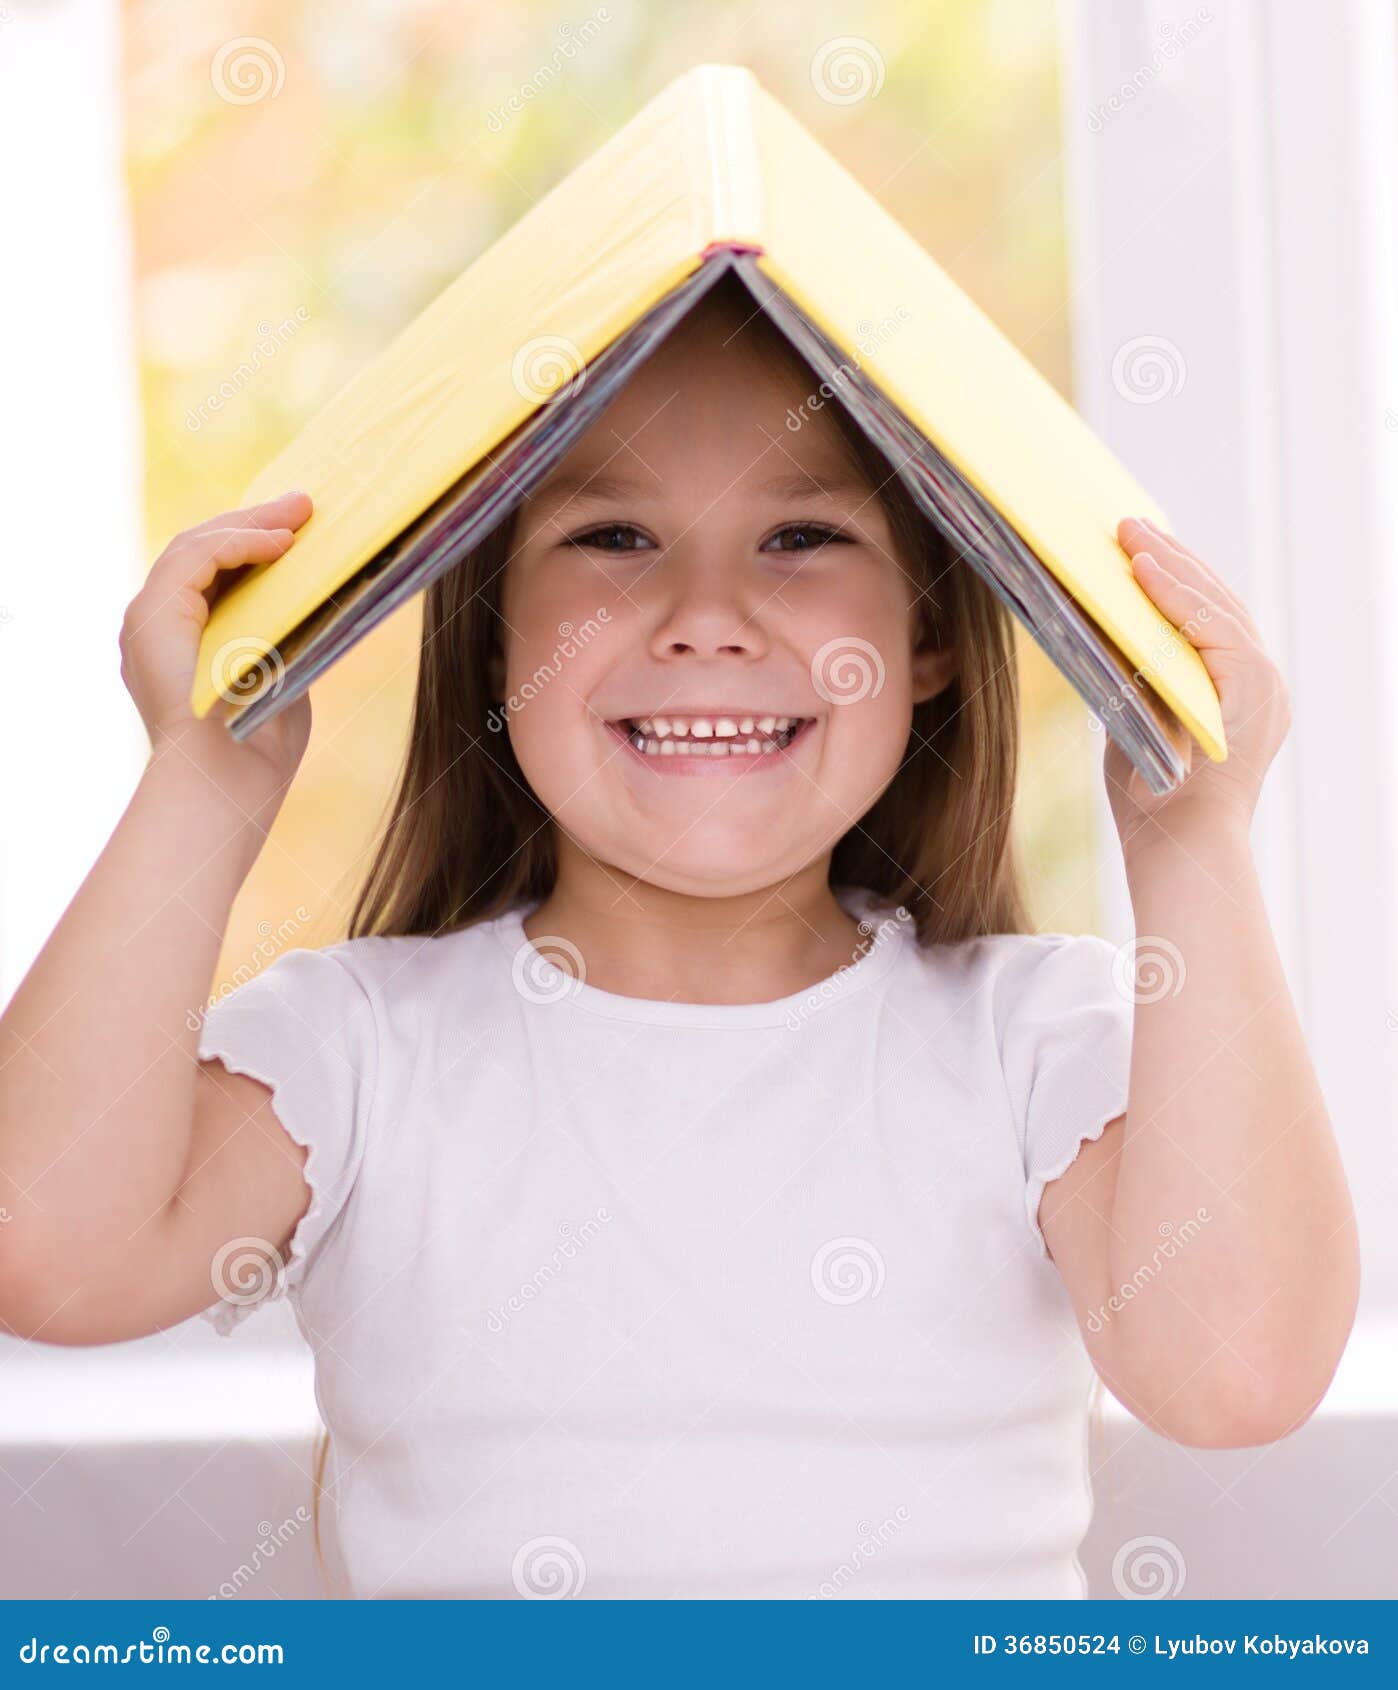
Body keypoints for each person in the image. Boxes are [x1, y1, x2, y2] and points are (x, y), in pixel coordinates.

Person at [0, 278, 1357, 1599]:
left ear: (928, 632)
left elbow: (1233, 1370)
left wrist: (1192, 843)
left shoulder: (1029, 1038)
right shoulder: (358, 1045)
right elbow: (45, 1251)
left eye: (799, 538)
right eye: (614, 538)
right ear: (490, 639)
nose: (706, 618)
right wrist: (202, 777)